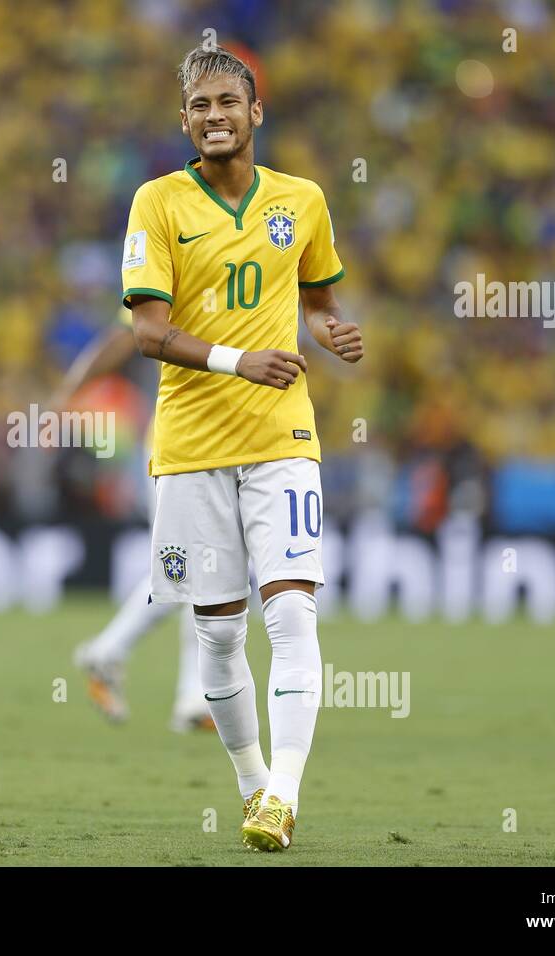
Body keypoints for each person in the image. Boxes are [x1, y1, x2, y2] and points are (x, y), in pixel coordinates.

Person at [120, 47, 363, 851]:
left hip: (281, 436)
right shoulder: (157, 203)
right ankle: (253, 785)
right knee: (218, 634)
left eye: (229, 100)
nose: (215, 115)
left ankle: (284, 793)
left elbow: (319, 302)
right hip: (189, 446)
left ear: (256, 113)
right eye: (200, 105)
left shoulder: (304, 200)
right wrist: (239, 360)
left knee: (291, 610)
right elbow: (147, 333)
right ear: (184, 121)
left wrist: (331, 332)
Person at [51, 323, 214, 732]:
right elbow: (124, 337)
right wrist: (69, 392)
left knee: (197, 569)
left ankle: (115, 655)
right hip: (178, 445)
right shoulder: (179, 266)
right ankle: (190, 693)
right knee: (194, 567)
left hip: (225, 444)